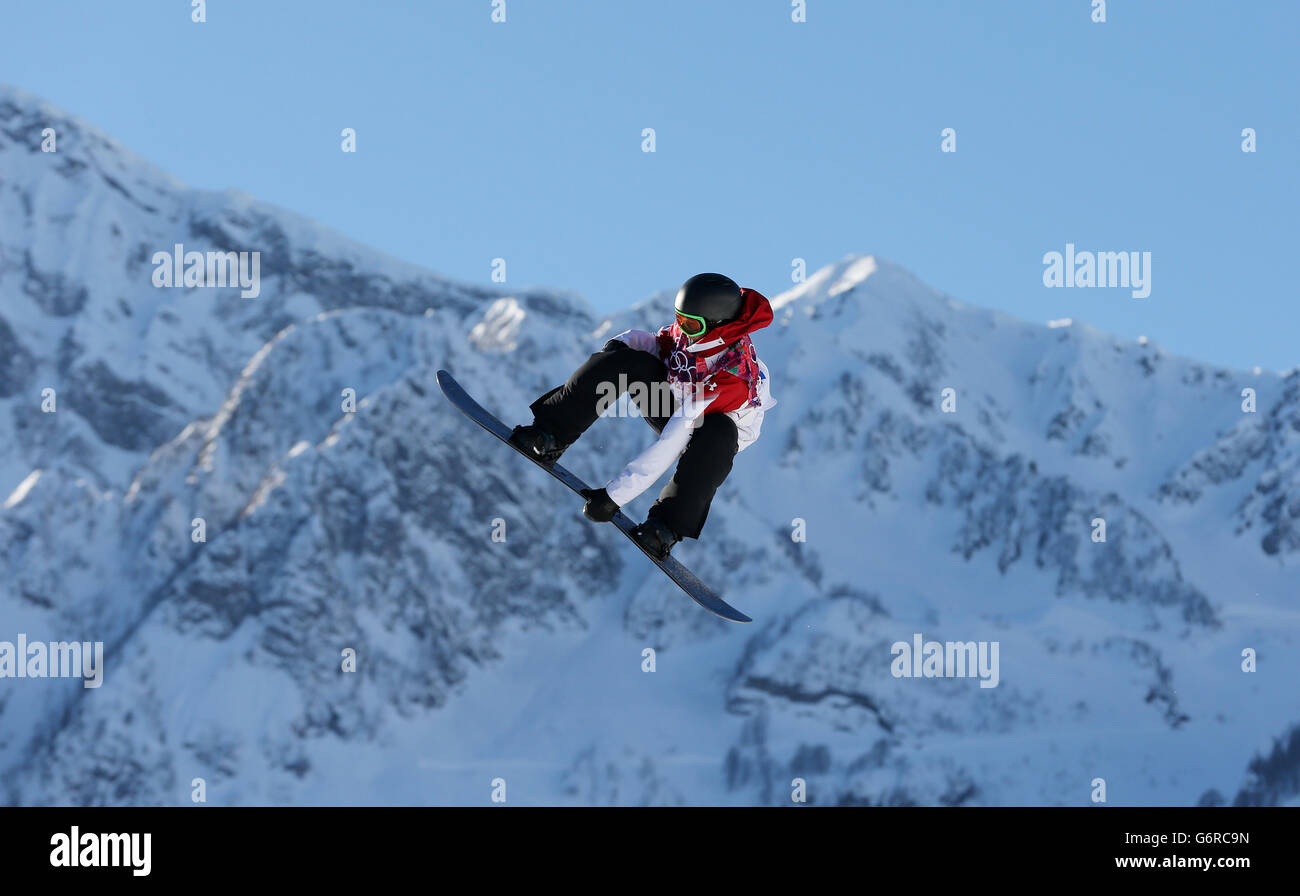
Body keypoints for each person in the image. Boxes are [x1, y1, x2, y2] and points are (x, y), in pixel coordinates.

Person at [509, 273, 776, 559]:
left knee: (718, 434)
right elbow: (653, 343)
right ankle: (551, 435)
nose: (682, 328)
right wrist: (615, 351)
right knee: (627, 361)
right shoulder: (693, 334)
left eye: (690, 324)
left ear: (717, 324)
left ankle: (666, 527)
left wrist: (614, 496)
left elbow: (676, 436)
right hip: (679, 398)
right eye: (680, 318)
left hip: (708, 429)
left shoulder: (733, 378)